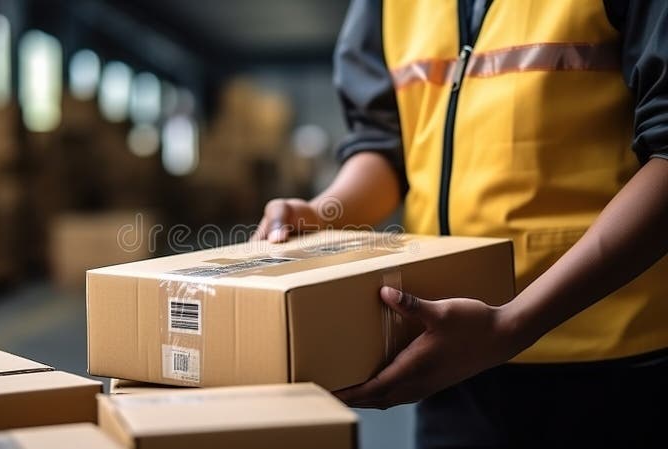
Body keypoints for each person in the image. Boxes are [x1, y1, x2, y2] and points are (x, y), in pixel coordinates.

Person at [253, 0, 668, 447]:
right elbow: (386, 147)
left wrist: (513, 324)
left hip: (613, 356)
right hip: (452, 355)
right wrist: (324, 213)